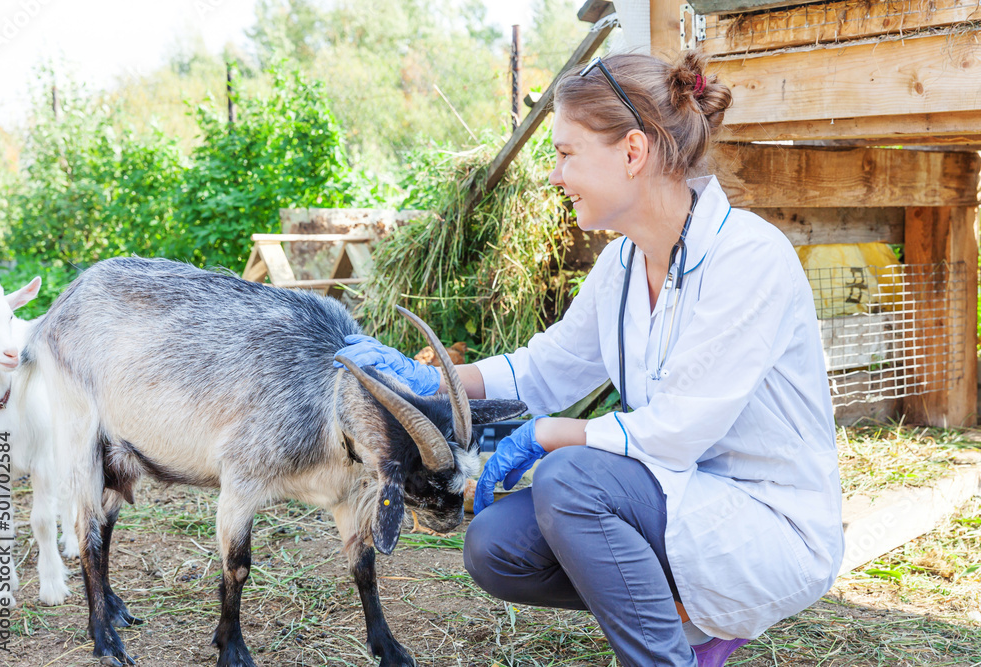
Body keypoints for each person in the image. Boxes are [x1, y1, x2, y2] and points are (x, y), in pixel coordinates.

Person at [336, 50, 844, 667]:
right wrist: (428, 379)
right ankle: (686, 621)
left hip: (768, 528)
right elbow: (543, 370)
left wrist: (550, 435)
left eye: (566, 153)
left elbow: (679, 430)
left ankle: (667, 656)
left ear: (633, 153)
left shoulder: (749, 258)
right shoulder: (623, 265)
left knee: (569, 478)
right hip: (679, 505)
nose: (555, 174)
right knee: (495, 546)